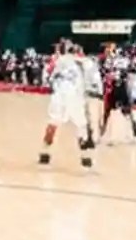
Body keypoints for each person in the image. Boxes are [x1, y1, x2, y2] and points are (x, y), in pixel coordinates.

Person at [40, 41, 99, 169]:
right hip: (75, 99)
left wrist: (51, 82)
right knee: (81, 127)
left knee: (53, 124)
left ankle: (44, 153)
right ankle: (85, 158)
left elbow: (47, 78)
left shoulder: (59, 60)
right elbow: (94, 83)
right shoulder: (87, 63)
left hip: (60, 97)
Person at [99, 45, 136, 141]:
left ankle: (103, 129)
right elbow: (131, 72)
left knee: (107, 110)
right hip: (123, 86)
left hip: (114, 87)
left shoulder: (111, 61)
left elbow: (104, 71)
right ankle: (132, 121)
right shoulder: (126, 61)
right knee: (126, 109)